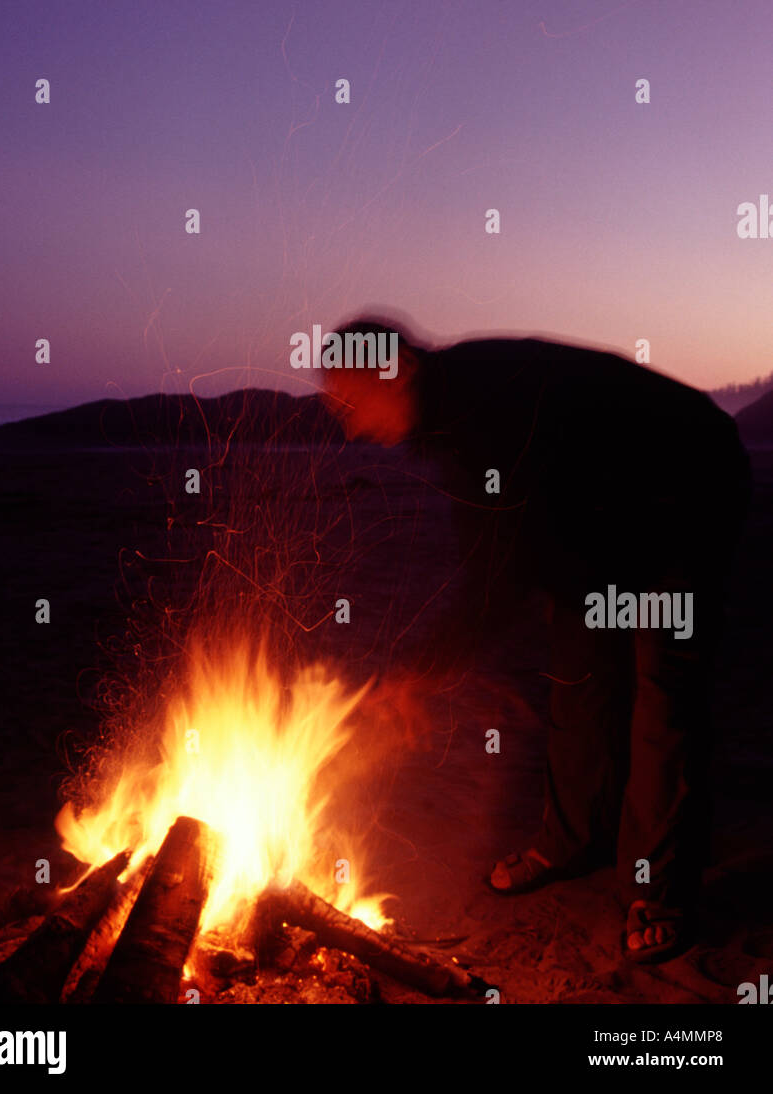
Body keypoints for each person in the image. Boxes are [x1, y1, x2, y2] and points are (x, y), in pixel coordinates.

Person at [321, 316, 752, 962]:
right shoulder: (447, 414)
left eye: (353, 401)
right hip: (599, 513)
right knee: (580, 673)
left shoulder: (486, 404)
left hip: (686, 486)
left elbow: (497, 570)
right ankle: (573, 838)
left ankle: (655, 889)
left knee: (661, 689)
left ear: (398, 369)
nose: (350, 425)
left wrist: (420, 675)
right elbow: (508, 544)